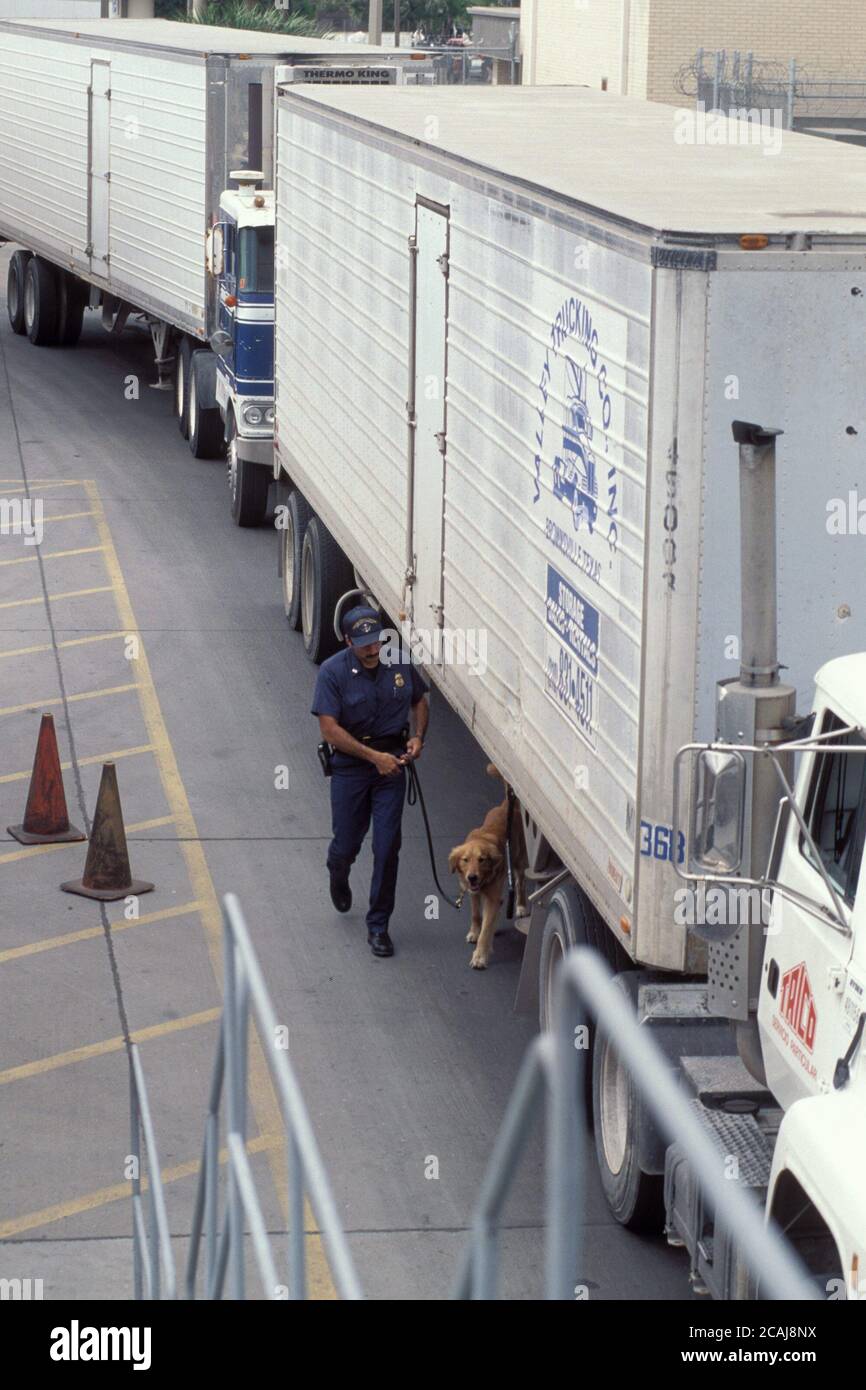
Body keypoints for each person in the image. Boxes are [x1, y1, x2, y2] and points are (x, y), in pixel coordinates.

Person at [312, 606, 429, 957]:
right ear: (348, 641)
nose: (372, 649)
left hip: (391, 767)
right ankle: (338, 869)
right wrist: (372, 758)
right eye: (363, 644)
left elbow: (420, 701)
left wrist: (418, 738)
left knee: (387, 846)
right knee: (347, 842)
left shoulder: (399, 662)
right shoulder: (333, 673)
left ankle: (378, 925)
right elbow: (330, 729)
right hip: (352, 767)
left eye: (376, 641)